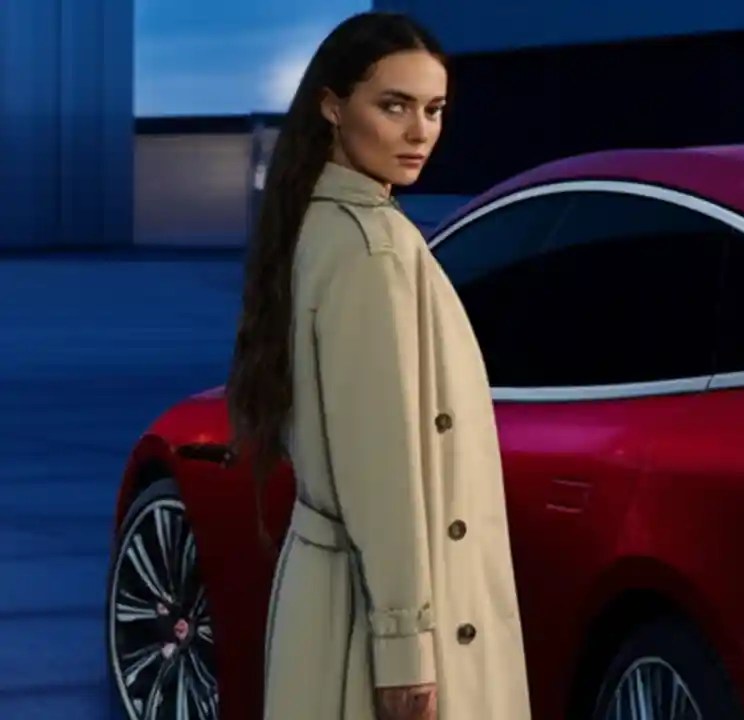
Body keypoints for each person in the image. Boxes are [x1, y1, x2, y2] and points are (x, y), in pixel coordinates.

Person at [225, 11, 530, 720]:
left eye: (434, 109)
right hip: (376, 628)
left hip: (328, 602)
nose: (419, 131)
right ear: (333, 106)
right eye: (393, 106)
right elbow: (383, 467)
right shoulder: (373, 250)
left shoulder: (316, 225)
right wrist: (404, 645)